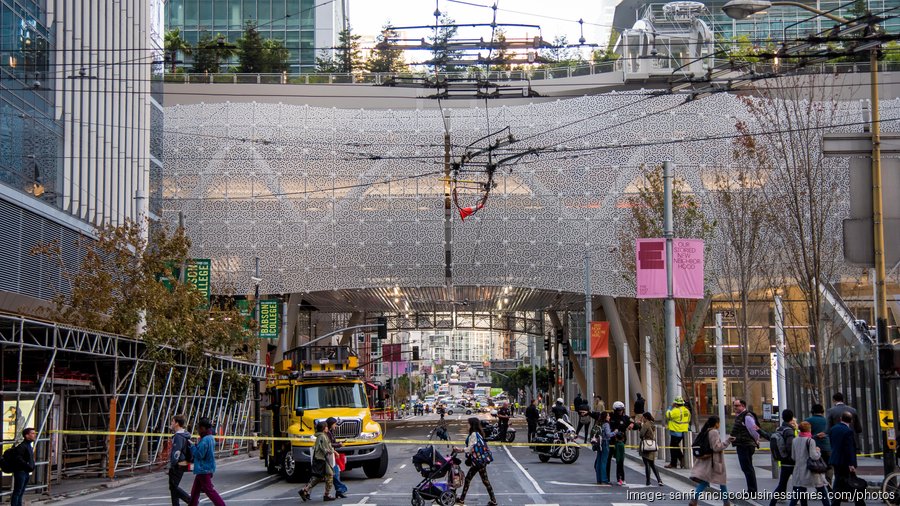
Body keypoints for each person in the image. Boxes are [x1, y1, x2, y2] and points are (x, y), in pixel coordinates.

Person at [689, 416, 733, 506]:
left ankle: (726, 502)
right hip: (714, 462)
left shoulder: (706, 431)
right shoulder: (714, 432)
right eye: (719, 422)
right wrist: (727, 442)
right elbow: (716, 447)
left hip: (708, 460)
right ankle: (726, 502)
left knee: (714, 481)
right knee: (719, 481)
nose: (719, 424)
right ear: (716, 423)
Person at [455, 417, 497, 506]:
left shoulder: (474, 434)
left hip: (477, 462)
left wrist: (460, 450)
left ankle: (462, 499)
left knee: (468, 479)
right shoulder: (478, 434)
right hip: (481, 461)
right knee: (485, 480)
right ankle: (493, 500)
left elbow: (471, 448)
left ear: (472, 425)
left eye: (468, 424)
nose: (467, 425)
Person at [788, 421, 830, 506]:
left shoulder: (795, 440)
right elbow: (814, 456)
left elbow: (793, 456)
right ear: (809, 429)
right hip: (810, 470)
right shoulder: (810, 441)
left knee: (799, 492)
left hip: (799, 470)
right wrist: (818, 451)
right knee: (822, 491)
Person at [829, 412, 864, 506]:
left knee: (839, 481)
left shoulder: (833, 429)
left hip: (835, 459)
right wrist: (851, 464)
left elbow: (832, 443)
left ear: (841, 418)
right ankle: (859, 502)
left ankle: (836, 502)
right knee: (852, 482)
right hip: (844, 461)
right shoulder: (848, 431)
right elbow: (849, 449)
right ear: (851, 420)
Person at [188, 418, 225, 506]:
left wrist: (192, 446)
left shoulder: (205, 440)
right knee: (195, 491)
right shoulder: (210, 438)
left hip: (203, 469)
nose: (198, 430)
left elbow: (199, 454)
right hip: (206, 468)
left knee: (209, 491)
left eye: (199, 428)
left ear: (203, 428)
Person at [730, 398, 762, 494]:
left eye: (737, 406)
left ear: (743, 406)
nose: (735, 408)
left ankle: (752, 490)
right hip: (743, 444)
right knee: (746, 468)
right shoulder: (740, 416)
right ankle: (751, 490)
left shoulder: (747, 416)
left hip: (746, 445)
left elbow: (754, 430)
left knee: (747, 468)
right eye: (734, 406)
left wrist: (756, 439)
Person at [299, 421, 335, 502]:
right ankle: (327, 494)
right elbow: (325, 448)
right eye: (326, 427)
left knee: (318, 477)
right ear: (323, 428)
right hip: (322, 459)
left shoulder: (320, 436)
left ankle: (305, 490)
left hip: (319, 458)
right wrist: (331, 451)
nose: (327, 428)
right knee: (330, 475)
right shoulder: (322, 436)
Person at [769, 409, 798, 506]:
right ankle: (795, 502)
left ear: (782, 417)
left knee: (782, 484)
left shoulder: (779, 429)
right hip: (791, 461)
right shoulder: (789, 431)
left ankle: (772, 503)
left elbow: (770, 437)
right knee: (797, 483)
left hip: (783, 461)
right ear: (791, 418)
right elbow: (790, 446)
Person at [805, 404, 833, 483]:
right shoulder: (828, 421)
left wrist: (815, 436)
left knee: (816, 467)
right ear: (822, 411)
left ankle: (819, 484)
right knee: (829, 467)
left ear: (812, 411)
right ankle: (828, 483)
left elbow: (805, 435)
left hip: (814, 448)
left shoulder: (807, 421)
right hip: (828, 447)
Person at [168, 415, 192, 506]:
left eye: (172, 421)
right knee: (173, 487)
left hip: (178, 464)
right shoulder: (184, 434)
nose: (171, 423)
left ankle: (190, 500)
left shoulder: (178, 436)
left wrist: (172, 464)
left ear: (177, 423)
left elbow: (176, 452)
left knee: (173, 487)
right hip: (182, 463)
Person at [9, 427, 36, 506]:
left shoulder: (28, 446)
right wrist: (27, 466)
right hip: (21, 471)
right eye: (32, 433)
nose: (34, 435)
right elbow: (18, 459)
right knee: (18, 491)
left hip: (25, 471)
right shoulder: (22, 446)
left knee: (21, 492)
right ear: (27, 436)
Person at [590, 411, 617, 485]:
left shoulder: (598, 423)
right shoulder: (606, 424)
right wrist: (615, 432)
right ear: (605, 417)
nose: (609, 417)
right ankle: (604, 479)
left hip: (598, 443)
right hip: (604, 443)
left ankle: (599, 479)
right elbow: (608, 435)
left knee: (599, 460)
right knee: (604, 461)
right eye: (608, 416)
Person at [608, 402, 634, 475]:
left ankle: (620, 478)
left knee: (620, 460)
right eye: (618, 410)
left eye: (621, 410)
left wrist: (632, 424)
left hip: (620, 441)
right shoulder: (610, 417)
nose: (620, 412)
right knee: (608, 459)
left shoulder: (625, 417)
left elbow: (633, 424)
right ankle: (606, 478)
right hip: (611, 441)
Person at [665, 396, 691, 469]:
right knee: (675, 446)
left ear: (676, 404)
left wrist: (670, 407)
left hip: (676, 431)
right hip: (684, 431)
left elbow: (668, 415)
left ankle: (676, 461)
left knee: (673, 447)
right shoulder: (687, 410)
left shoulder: (676, 410)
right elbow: (688, 419)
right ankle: (678, 460)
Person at [325, 417, 348, 499]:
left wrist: (339, 443)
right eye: (335, 424)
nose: (336, 425)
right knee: (333, 474)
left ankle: (339, 491)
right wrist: (339, 445)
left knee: (336, 473)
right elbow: (329, 445)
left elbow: (332, 443)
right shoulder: (327, 434)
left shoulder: (330, 433)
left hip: (332, 456)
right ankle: (306, 490)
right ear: (331, 424)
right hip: (329, 456)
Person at [639, 412, 663, 486]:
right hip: (652, 444)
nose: (642, 419)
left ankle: (648, 481)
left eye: (643, 417)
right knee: (652, 463)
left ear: (645, 417)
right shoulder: (652, 424)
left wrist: (641, 427)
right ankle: (659, 480)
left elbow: (641, 434)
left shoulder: (646, 425)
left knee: (647, 464)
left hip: (646, 445)